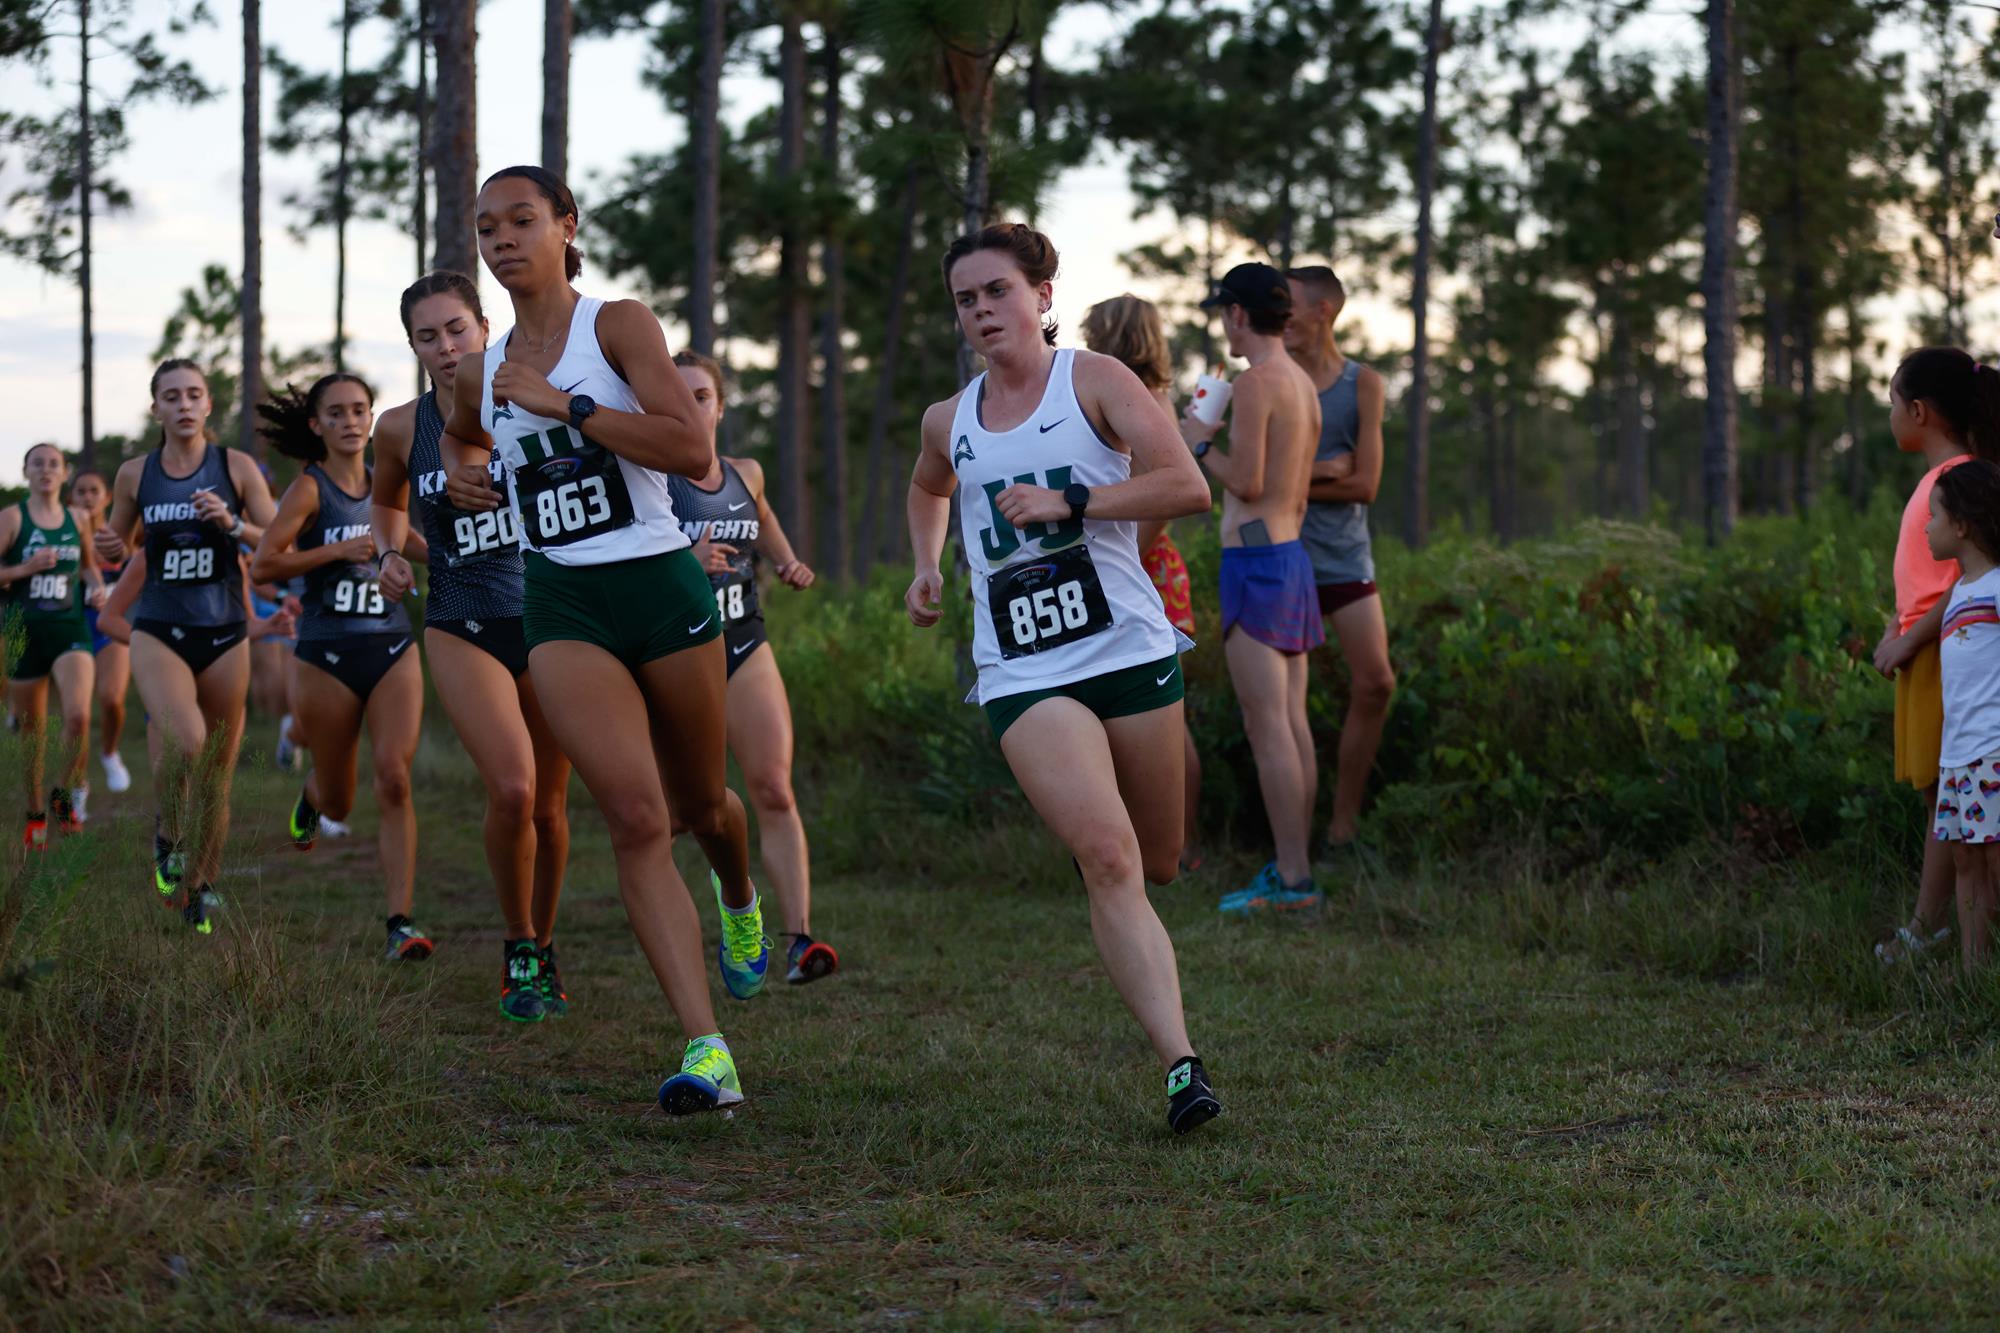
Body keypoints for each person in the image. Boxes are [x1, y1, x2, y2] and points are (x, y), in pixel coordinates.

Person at [440, 165, 764, 1113]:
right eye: (486, 226)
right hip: (562, 602)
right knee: (633, 815)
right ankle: (708, 1048)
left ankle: (740, 903)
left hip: (660, 584)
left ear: (565, 226)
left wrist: (567, 405)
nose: (501, 239)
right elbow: (466, 439)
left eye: (522, 220)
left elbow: (691, 451)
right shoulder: (479, 371)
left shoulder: (615, 325)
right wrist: (472, 479)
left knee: (706, 806)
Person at [905, 222, 1222, 1134]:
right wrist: (928, 564)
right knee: (1111, 856)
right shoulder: (949, 419)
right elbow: (929, 485)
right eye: (966, 299)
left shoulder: (1096, 381)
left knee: (1157, 858)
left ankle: (1156, 963)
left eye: (997, 291)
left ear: (1042, 295)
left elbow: (1185, 487)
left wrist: (1074, 500)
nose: (981, 311)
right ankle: (1181, 1065)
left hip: (1128, 648)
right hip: (1022, 668)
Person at [372, 270, 576, 1018]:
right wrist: (388, 552)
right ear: (414, 348)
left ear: (485, 327)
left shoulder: (538, 401)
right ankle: (518, 940)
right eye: (428, 337)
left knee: (551, 809)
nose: (446, 347)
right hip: (461, 618)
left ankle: (543, 947)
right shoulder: (400, 426)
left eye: (457, 329)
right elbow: (386, 499)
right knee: (515, 788)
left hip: (549, 614)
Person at [667, 351, 840, 985]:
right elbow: (626, 557)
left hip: (744, 637)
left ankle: (799, 940)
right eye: (678, 395)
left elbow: (759, 519)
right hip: (677, 651)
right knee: (680, 811)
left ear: (720, 403)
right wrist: (684, 558)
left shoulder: (746, 472)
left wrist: (788, 561)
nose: (692, 405)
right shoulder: (648, 478)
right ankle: (701, 925)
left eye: (703, 395)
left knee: (772, 787)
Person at [250, 374, 433, 963]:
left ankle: (400, 923)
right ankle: (312, 798)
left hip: (390, 646)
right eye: (337, 413)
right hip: (326, 654)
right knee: (340, 800)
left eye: (360, 410)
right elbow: (263, 567)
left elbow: (423, 542)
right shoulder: (310, 490)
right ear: (317, 425)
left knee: (395, 777)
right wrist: (338, 550)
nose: (352, 422)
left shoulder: (390, 480)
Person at [95, 359, 280, 934]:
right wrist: (108, 542)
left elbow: (274, 544)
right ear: (156, 409)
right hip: (159, 628)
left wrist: (231, 523)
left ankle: (202, 886)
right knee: (187, 742)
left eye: (193, 395)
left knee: (217, 774)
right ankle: (167, 835)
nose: (182, 404)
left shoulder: (237, 467)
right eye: (170, 396)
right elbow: (119, 546)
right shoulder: (135, 473)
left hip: (224, 632)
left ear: (208, 406)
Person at [1179, 262, 1325, 915]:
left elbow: (1245, 480)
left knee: (1268, 726)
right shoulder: (1303, 382)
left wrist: (1198, 443)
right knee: (1290, 723)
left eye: (1223, 313)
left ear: (1238, 314)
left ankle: (1293, 881)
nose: (1223, 325)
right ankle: (1297, 870)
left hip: (1255, 562)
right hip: (1291, 557)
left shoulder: (1256, 382)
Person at [1874, 349, 2000, 963]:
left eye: (1892, 403)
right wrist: (1890, 628)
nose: (1890, 415)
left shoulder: (1961, 483)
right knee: (1939, 794)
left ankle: (1928, 930)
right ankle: (1941, 929)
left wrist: (1907, 639)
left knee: (1945, 795)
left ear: (1918, 411)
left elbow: (1962, 585)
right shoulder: (1938, 482)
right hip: (1923, 649)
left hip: (1943, 655)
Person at [1079, 294, 1205, 870]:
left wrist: (1131, 556)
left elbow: (1164, 500)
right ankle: (1154, 841)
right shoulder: (1152, 395)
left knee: (1162, 715)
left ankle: (1174, 842)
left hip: (1143, 566)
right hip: (1148, 563)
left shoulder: (1137, 398)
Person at [1284, 265, 1396, 860]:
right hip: (1282, 558)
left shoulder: (1363, 385)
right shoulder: (1270, 380)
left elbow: (1367, 486)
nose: (1281, 316)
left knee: (1376, 683)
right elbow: (1255, 482)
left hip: (1345, 558)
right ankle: (1294, 840)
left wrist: (1301, 480)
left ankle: (1344, 825)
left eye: (1291, 304)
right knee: (1286, 704)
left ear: (1323, 310)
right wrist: (1328, 468)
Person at [1, 442, 105, 848]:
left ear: (65, 474)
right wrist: (25, 568)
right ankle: (34, 809)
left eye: (54, 465)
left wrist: (98, 590)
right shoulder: (12, 518)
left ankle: (66, 792)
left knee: (78, 718)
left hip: (69, 629)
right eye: (38, 464)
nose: (46, 470)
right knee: (34, 736)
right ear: (26, 472)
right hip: (24, 633)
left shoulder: (78, 519)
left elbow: (89, 567)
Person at [1922, 458, 2000, 967]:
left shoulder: (1997, 586)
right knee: (1965, 858)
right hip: (1958, 756)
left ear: (1962, 525)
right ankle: (1974, 971)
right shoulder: (1958, 595)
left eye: (1934, 516)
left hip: (1993, 751)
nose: (1926, 527)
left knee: (1994, 860)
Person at [68, 468, 134, 794]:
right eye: (80, 491)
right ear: (71, 498)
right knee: (77, 715)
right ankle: (78, 786)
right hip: (73, 627)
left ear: (108, 497)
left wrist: (110, 595)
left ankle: (109, 752)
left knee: (111, 699)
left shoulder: (122, 535)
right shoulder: (64, 534)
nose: (88, 497)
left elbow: (139, 575)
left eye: (95, 490)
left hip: (111, 625)